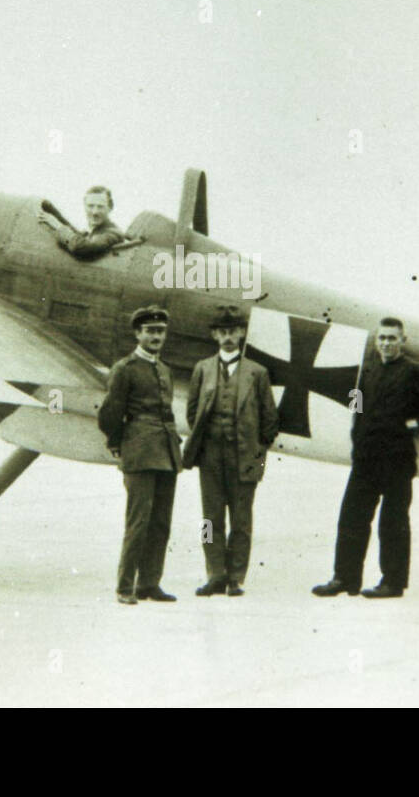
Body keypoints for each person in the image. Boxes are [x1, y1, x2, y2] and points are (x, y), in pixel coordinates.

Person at [313, 318, 419, 598]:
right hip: (367, 458)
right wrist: (357, 440)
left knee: (392, 523)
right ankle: (345, 578)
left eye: (392, 338)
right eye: (382, 338)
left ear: (403, 341)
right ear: (376, 340)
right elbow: (357, 406)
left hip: (397, 459)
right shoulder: (368, 369)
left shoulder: (414, 372)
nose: (386, 343)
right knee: (351, 519)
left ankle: (392, 583)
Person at [182, 305, 280, 597]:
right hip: (210, 456)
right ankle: (215, 575)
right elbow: (192, 412)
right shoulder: (202, 369)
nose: (227, 337)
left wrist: (256, 450)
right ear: (215, 335)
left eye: (233, 331)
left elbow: (270, 417)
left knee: (241, 520)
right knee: (210, 519)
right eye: (222, 332)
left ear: (241, 333)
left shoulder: (257, 373)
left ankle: (236, 577)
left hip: (245, 456)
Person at [97, 305, 183, 605]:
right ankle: (125, 587)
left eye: (160, 331)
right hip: (140, 453)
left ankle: (149, 584)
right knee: (138, 523)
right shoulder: (125, 369)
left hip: (167, 454)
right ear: (138, 334)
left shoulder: (164, 370)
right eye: (150, 331)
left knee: (161, 524)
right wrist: (118, 443)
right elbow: (109, 413)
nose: (156, 336)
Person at [37, 185, 126, 260]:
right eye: (90, 206)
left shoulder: (113, 233)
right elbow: (78, 237)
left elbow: (82, 247)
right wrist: (56, 215)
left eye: (100, 207)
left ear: (110, 208)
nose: (94, 212)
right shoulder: (97, 230)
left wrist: (59, 226)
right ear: (84, 206)